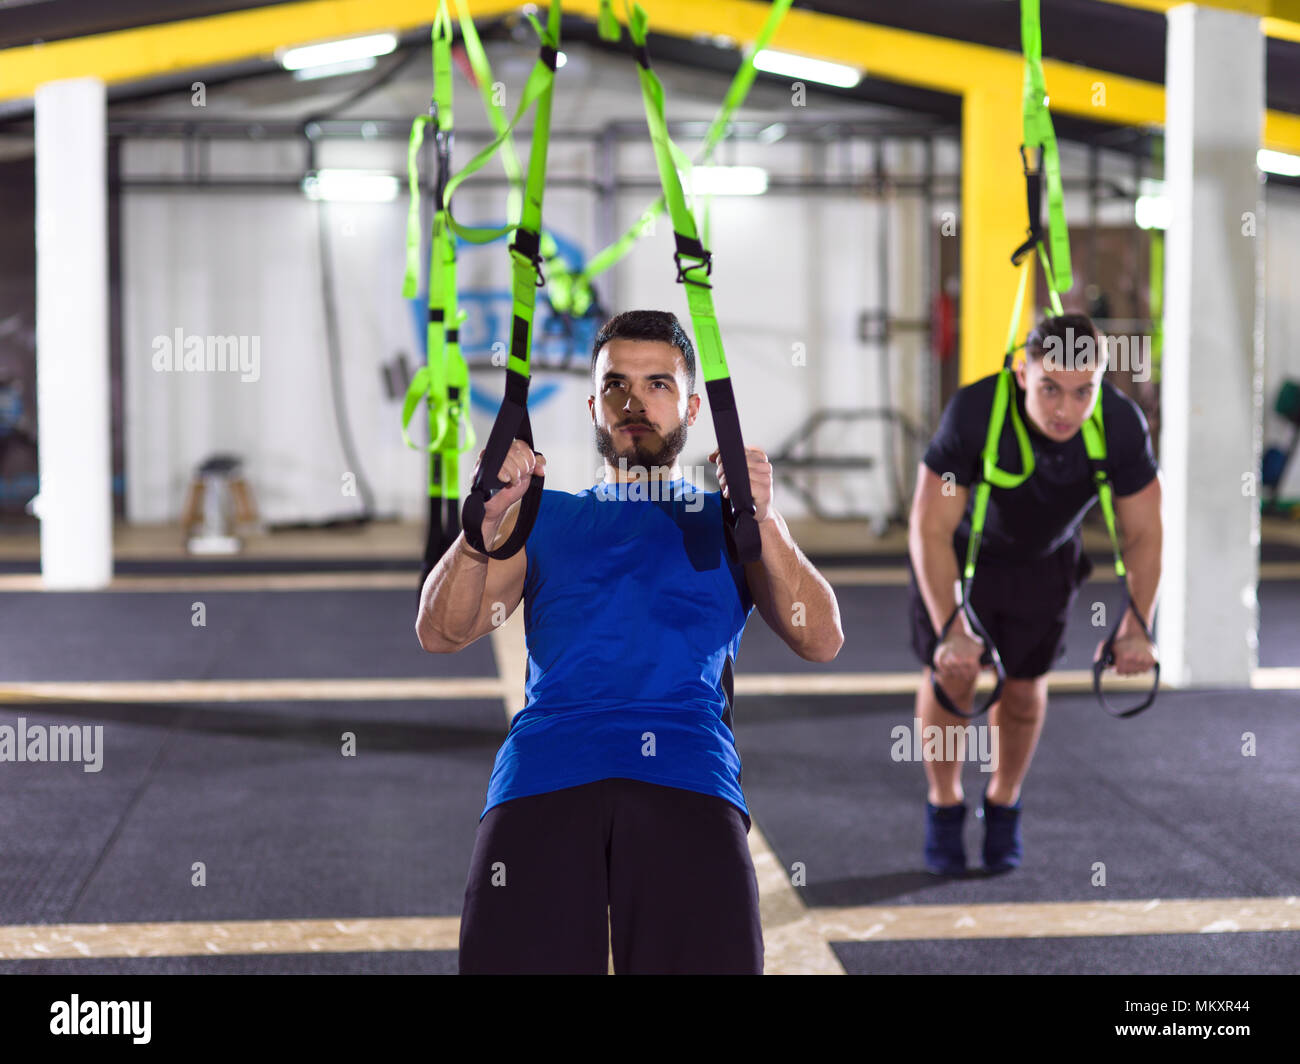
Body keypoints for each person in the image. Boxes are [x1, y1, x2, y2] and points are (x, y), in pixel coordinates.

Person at [416, 309, 843, 973]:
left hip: (687, 774)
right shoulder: (545, 515)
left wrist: (768, 518)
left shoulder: (728, 524)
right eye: (616, 385)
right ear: (593, 404)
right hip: (546, 772)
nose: (634, 402)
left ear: (693, 406)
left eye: (658, 385)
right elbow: (441, 633)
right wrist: (482, 523)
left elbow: (820, 639)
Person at [907, 313, 1162, 875]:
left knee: (1023, 691)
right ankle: (944, 804)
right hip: (962, 558)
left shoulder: (1120, 426)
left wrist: (1139, 622)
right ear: (1023, 372)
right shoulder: (974, 413)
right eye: (1050, 388)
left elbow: (1144, 531)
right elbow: (928, 527)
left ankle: (1003, 801)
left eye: (1082, 391)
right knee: (953, 676)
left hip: (1046, 562)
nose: (1065, 409)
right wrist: (951, 624)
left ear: (1099, 382)